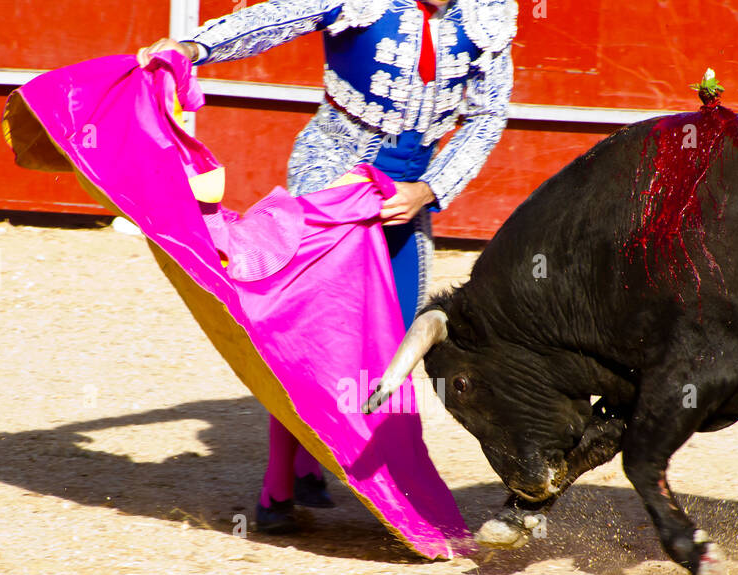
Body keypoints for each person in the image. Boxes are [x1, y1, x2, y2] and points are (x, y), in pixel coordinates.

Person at [137, 0, 517, 533]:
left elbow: (487, 117)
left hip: (404, 197)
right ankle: (279, 486)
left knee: (391, 336)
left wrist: (429, 189)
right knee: (311, 327)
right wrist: (194, 47)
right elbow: (276, 19)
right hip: (332, 176)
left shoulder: (485, 15)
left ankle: (341, 465)